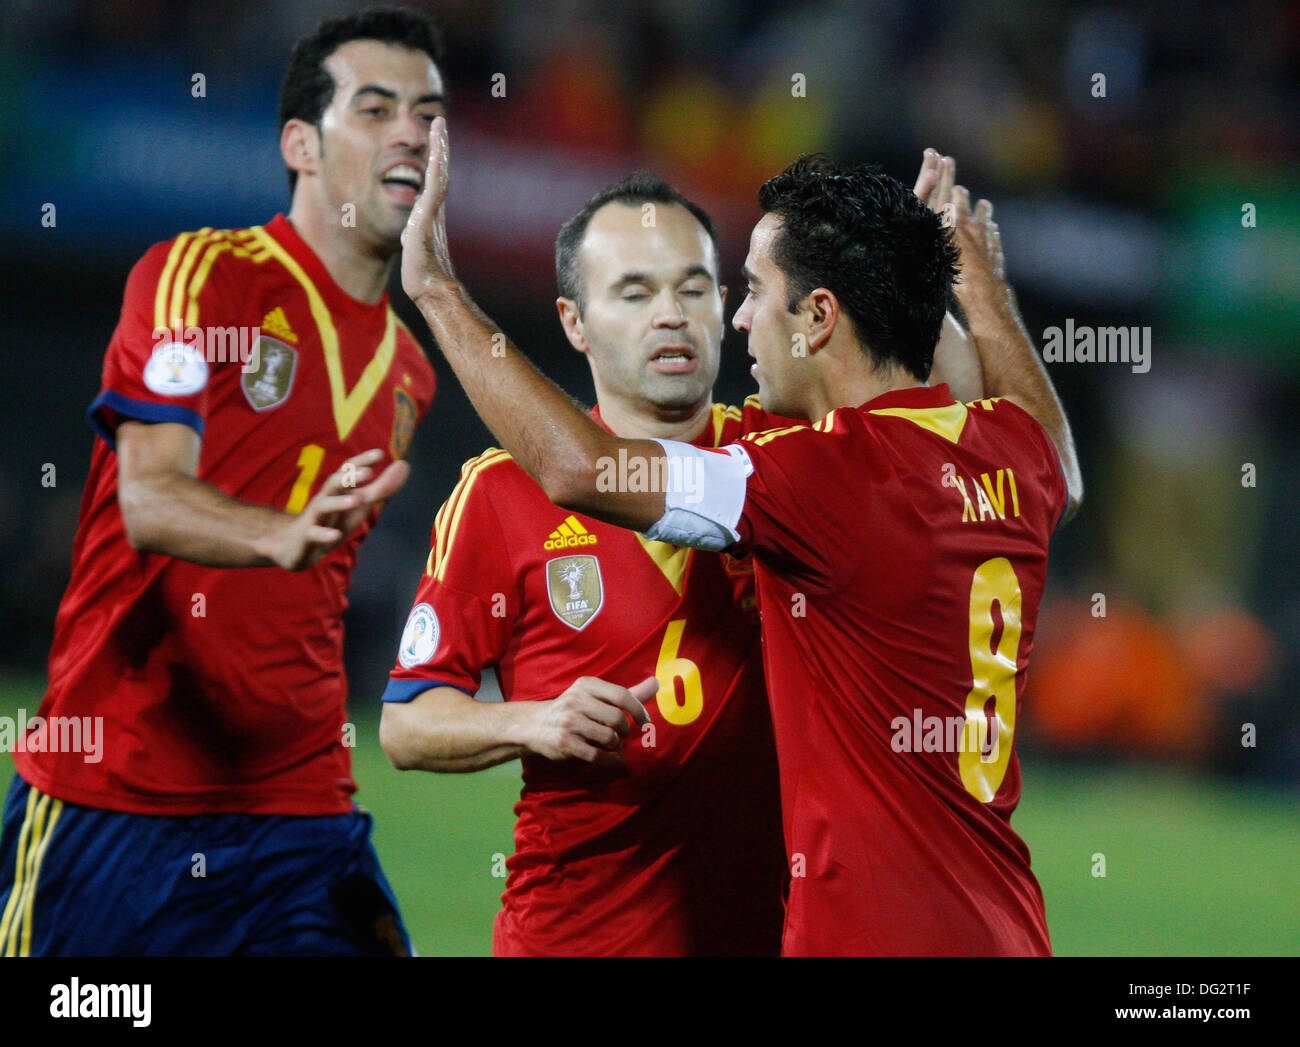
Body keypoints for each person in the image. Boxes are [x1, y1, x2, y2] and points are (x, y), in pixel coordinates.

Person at [399, 122, 1083, 955]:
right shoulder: (1006, 453)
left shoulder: (797, 470)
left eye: (718, 287)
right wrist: (965, 287)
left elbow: (582, 471)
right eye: (635, 291)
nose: (721, 314)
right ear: (574, 322)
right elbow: (1051, 455)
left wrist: (433, 286)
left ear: (819, 317)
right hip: (1002, 920)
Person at [0, 7, 445, 956]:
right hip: (114, 802)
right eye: (376, 108)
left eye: (430, 113)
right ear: (301, 145)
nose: (412, 131)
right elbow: (149, 498)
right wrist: (275, 533)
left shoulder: (411, 368)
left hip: (299, 812)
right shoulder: (199, 277)